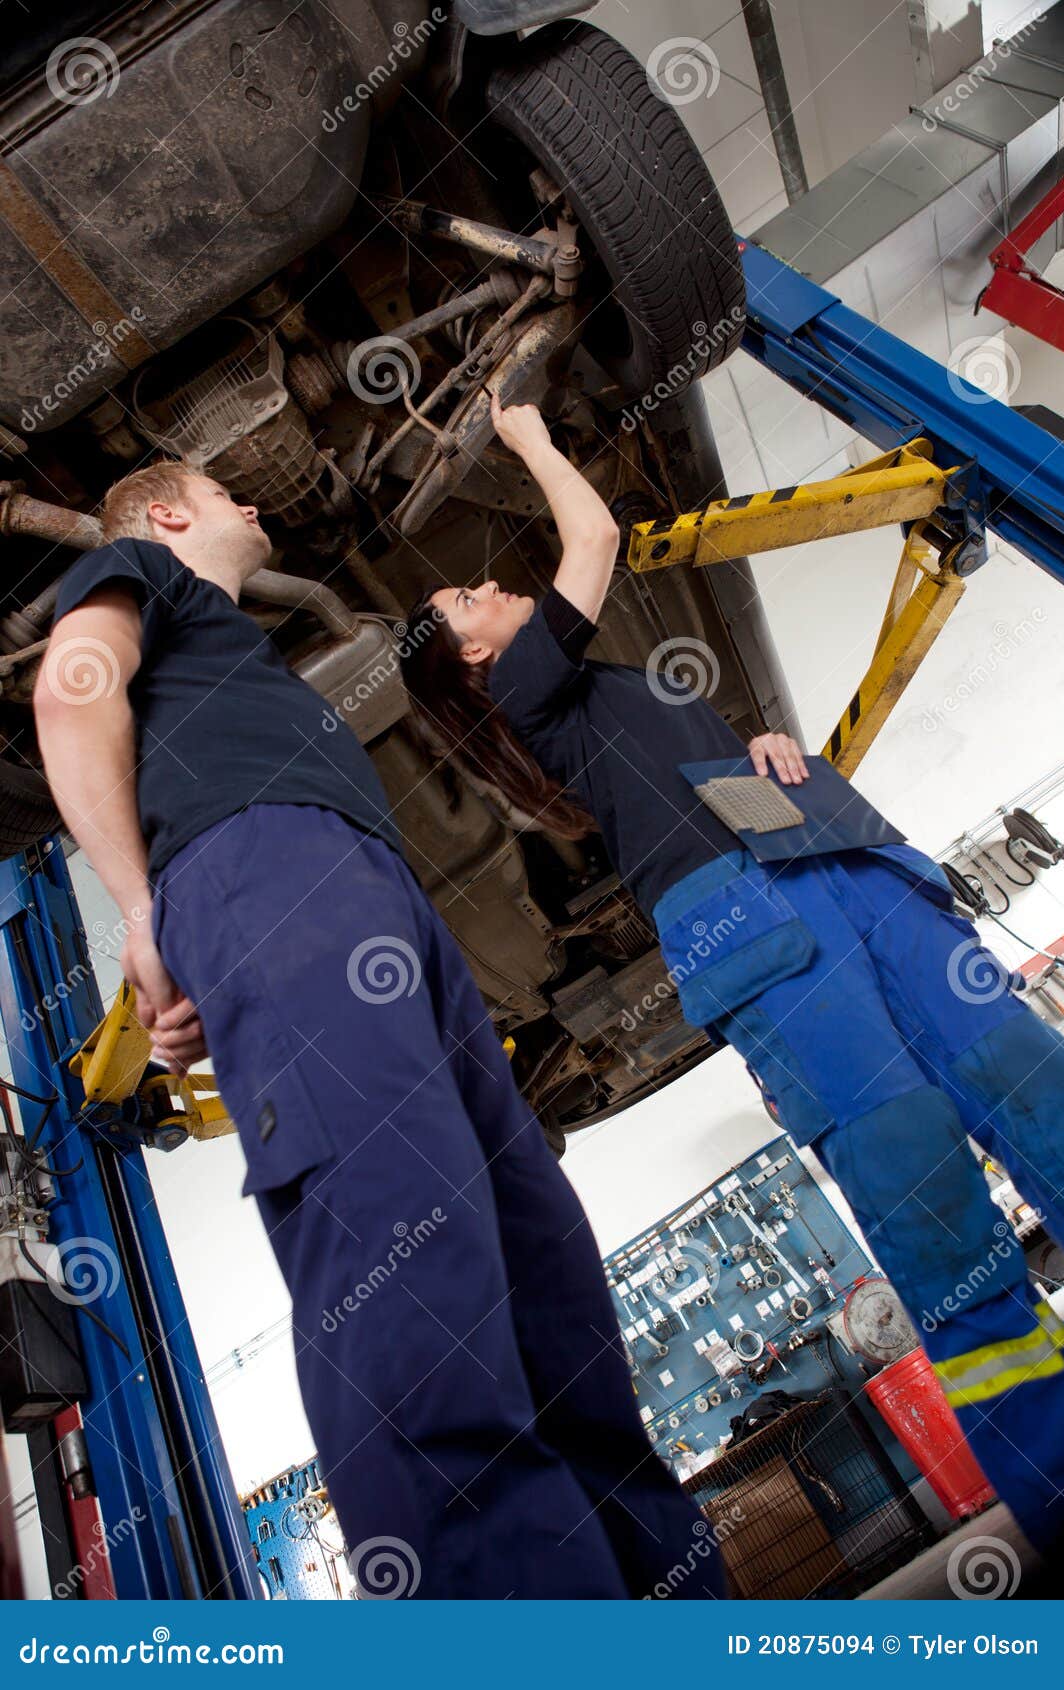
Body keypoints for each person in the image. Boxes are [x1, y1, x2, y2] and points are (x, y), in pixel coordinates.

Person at [33, 463, 724, 1600]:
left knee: (534, 1267)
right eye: (224, 494)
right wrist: (151, 913)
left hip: (362, 897)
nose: (253, 508)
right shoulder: (140, 570)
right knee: (407, 1257)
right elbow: (72, 690)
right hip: (270, 872)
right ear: (164, 514)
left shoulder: (228, 647)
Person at [401, 392, 1064, 1556]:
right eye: (465, 600)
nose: (486, 586)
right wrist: (528, 437)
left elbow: (700, 760)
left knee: (1030, 1079)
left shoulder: (599, 694)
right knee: (917, 1182)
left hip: (821, 857)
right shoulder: (519, 690)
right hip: (741, 919)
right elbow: (595, 539)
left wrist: (759, 754)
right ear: (469, 656)